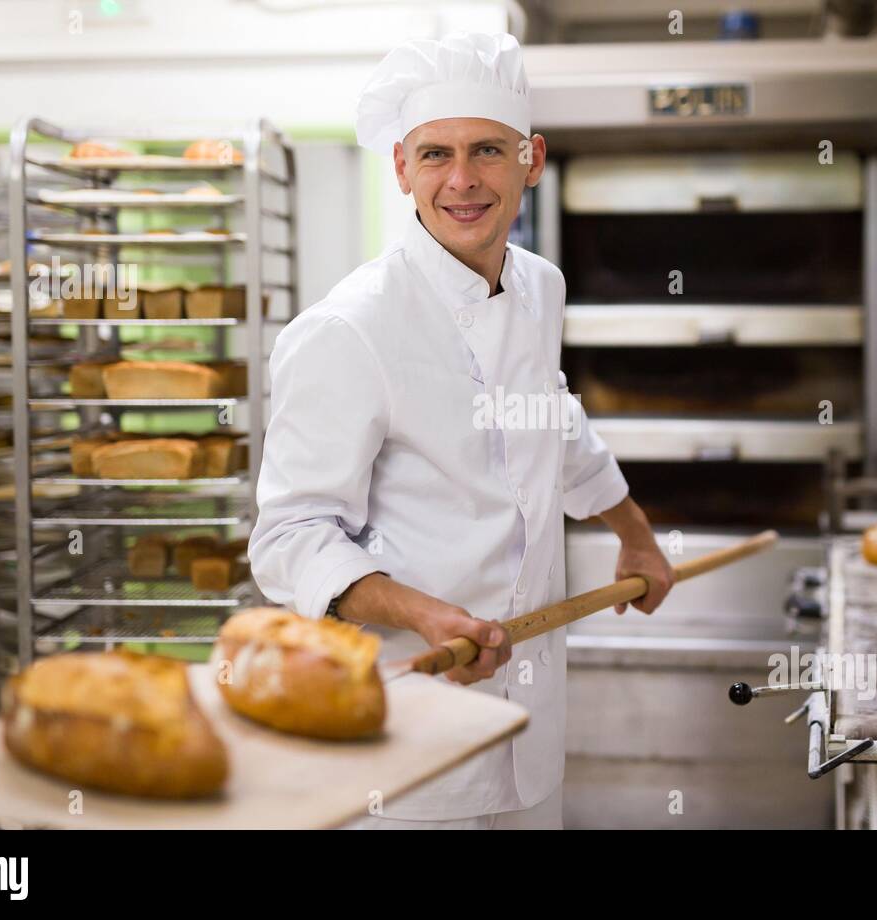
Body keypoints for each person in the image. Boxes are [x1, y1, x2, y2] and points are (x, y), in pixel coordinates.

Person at [249, 31, 674, 829]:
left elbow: (557, 423)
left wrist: (636, 533)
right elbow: (291, 537)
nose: (463, 180)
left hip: (532, 726)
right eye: (435, 154)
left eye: (487, 150)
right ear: (403, 168)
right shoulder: (348, 330)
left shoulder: (541, 287)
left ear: (532, 159)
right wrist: (422, 613)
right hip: (412, 740)